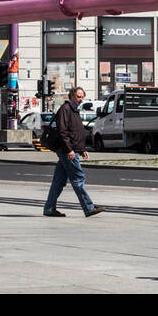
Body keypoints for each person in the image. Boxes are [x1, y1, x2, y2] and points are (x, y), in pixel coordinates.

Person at [43, 86, 103, 219]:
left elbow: (75, 132)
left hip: (72, 149)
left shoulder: (74, 110)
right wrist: (69, 149)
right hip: (67, 151)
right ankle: (88, 207)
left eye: (82, 97)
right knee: (78, 178)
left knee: (58, 181)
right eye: (78, 96)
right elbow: (63, 132)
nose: (81, 99)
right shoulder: (66, 109)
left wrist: (82, 149)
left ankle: (49, 208)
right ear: (71, 96)